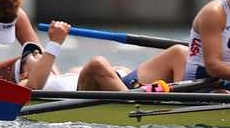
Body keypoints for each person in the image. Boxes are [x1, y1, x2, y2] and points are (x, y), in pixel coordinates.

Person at [12, 20, 189, 92]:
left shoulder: (68, 73)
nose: (39, 53)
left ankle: (189, 101)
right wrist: (55, 43)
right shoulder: (26, 84)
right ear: (23, 74)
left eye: (39, 51)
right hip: (110, 97)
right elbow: (34, 86)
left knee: (178, 52)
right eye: (32, 55)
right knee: (96, 65)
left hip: (125, 86)